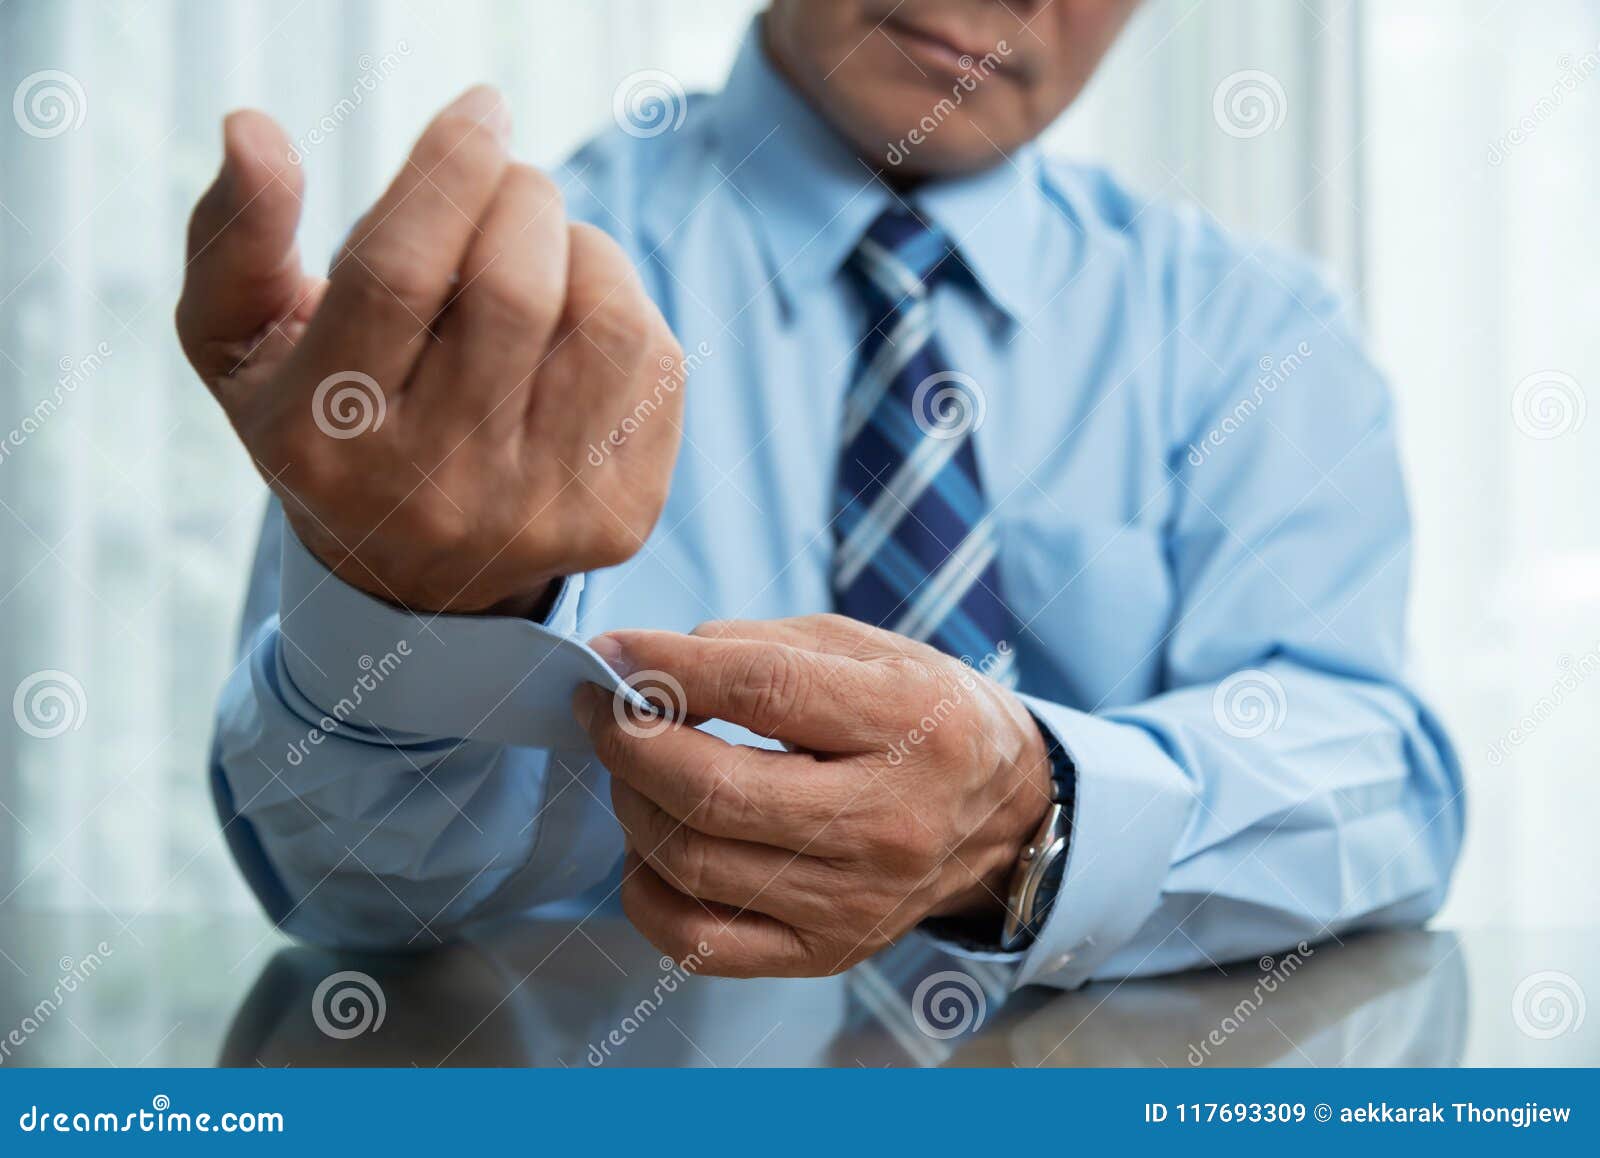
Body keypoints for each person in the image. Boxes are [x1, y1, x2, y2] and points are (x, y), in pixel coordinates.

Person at [175, 0, 1463, 988]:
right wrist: (416, 614)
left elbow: (1382, 783)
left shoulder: (1253, 333)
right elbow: (347, 894)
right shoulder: (498, 310)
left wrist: (1036, 815)